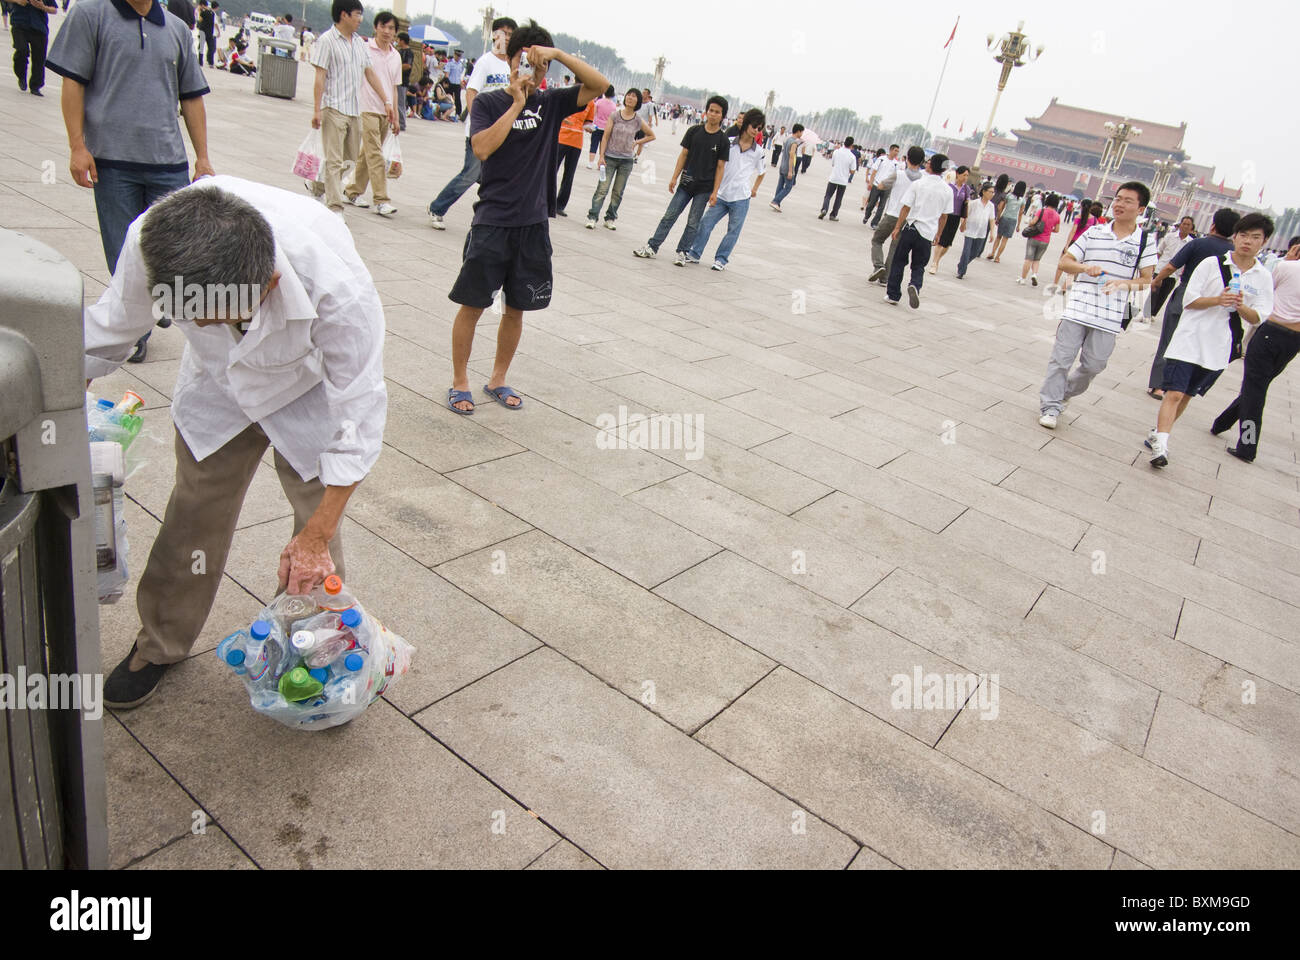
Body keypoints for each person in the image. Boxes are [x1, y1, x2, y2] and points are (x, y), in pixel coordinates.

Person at [83, 178, 387, 708]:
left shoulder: (337, 287)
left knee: (318, 535)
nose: (196, 322)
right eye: (187, 314)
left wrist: (315, 536)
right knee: (195, 511)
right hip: (218, 383)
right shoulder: (152, 241)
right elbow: (111, 329)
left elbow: (359, 415)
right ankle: (160, 643)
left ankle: (307, 656)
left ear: (267, 283)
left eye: (212, 315)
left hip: (306, 387)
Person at [445, 20, 608, 415]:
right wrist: (516, 102)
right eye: (526, 61)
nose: (533, 72)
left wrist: (557, 55)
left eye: (539, 65)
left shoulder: (552, 102)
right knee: (473, 305)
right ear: (510, 60)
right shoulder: (487, 103)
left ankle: (498, 378)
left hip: (533, 223)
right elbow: (482, 148)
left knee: (516, 308)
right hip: (492, 222)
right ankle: (460, 381)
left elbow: (599, 86)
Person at [48, 0, 213, 364]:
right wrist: (77, 146)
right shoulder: (90, 15)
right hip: (113, 161)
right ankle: (137, 331)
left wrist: (202, 158)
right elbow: (72, 82)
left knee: (174, 251)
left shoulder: (177, 30)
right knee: (124, 254)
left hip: (168, 163)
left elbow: (191, 98)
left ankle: (159, 302)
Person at [1145, 213, 1274, 468]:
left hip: (1218, 347)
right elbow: (1189, 301)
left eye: (1255, 237)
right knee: (1174, 392)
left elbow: (1259, 315)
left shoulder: (1263, 277)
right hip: (1189, 339)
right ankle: (1162, 444)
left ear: (1264, 241)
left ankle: (1158, 432)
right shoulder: (1211, 265)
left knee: (1186, 396)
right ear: (1235, 237)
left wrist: (1240, 306)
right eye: (1244, 235)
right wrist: (1218, 300)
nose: (1247, 241)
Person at [1037, 182, 1157, 429]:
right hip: (1078, 308)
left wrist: (1122, 284)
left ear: (1141, 209)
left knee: (1094, 365)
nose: (1120, 204)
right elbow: (1065, 262)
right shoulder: (1094, 232)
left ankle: (1064, 393)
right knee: (1061, 360)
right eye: (1118, 199)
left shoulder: (1145, 241)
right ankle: (1050, 406)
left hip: (1110, 316)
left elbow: (1146, 281)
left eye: (1128, 201)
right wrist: (1085, 268)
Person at [308, 0, 399, 216]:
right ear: (344, 15)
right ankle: (335, 208)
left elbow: (370, 73)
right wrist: (316, 109)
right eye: (357, 14)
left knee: (348, 161)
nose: (360, 19)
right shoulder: (327, 41)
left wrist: (387, 101)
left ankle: (319, 185)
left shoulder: (359, 43)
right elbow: (319, 77)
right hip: (333, 108)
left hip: (354, 110)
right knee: (335, 159)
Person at [1213, 238, 1300, 462]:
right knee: (1257, 385)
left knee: (1255, 390)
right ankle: (1222, 422)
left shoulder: (1287, 267)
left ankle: (1247, 445)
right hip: (1293, 341)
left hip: (1271, 332)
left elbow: (1267, 294)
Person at [427, 16, 515, 230]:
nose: (507, 38)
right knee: (470, 174)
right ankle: (437, 208)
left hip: (500, 132)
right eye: (504, 33)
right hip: (480, 131)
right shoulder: (486, 62)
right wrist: (478, 124)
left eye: (512, 34)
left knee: (493, 177)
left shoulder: (512, 65)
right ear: (494, 35)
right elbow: (472, 92)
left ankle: (493, 219)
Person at [1146, 207, 1240, 399]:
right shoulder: (1234, 253)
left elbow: (1172, 266)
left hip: (1186, 294)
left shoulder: (1198, 244)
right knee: (1196, 344)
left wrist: (1156, 280)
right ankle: (1180, 387)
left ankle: (1157, 385)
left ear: (1213, 225)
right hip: (1216, 303)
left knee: (1168, 340)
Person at [632, 95, 729, 264]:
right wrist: (674, 177)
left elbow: (721, 167)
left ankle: (682, 252)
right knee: (669, 216)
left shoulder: (723, 140)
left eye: (717, 112)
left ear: (722, 116)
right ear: (706, 112)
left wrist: (715, 192)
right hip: (686, 183)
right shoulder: (694, 132)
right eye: (711, 110)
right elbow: (683, 155)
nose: (713, 114)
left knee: (693, 222)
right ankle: (652, 246)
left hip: (704, 188)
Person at [684, 107, 766, 270]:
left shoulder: (759, 152)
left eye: (759, 128)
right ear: (747, 124)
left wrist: (754, 189)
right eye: (754, 126)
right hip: (721, 194)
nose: (756, 130)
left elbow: (762, 172)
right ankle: (695, 253)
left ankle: (721, 259)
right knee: (706, 224)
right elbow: (717, 164)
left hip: (741, 197)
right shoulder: (728, 142)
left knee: (733, 230)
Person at [342, 10, 400, 217]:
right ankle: (381, 199)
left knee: (367, 153)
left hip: (386, 111)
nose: (386, 31)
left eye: (391, 28)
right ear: (375, 27)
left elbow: (394, 87)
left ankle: (352, 190)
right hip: (366, 108)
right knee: (375, 154)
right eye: (383, 26)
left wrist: (395, 114)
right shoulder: (365, 48)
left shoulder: (396, 56)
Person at [884, 153, 951, 309]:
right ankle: (915, 285)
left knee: (899, 261)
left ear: (930, 165)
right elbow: (944, 216)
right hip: (928, 232)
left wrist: (897, 227)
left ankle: (893, 294)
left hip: (911, 227)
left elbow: (906, 207)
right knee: (919, 265)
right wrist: (939, 234)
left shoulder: (918, 184)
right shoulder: (947, 190)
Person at [586, 88, 654, 230]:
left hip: (626, 161)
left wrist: (637, 142)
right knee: (602, 189)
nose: (630, 98)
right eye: (628, 95)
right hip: (610, 158)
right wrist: (601, 156)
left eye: (634, 96)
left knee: (618, 191)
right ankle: (592, 216)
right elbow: (605, 136)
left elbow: (651, 135)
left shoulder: (638, 120)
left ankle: (610, 217)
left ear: (638, 101)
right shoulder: (615, 116)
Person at [867, 145, 924, 285]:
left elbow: (881, 186)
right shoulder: (923, 179)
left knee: (877, 240)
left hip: (892, 214)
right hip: (908, 219)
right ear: (922, 161)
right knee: (895, 248)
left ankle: (879, 266)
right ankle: (885, 278)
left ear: (907, 158)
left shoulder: (899, 174)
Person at [1147, 215, 1195, 319]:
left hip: (1174, 274)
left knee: (1163, 295)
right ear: (1180, 225)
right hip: (1160, 269)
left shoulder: (1191, 243)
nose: (1185, 226)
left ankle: (1153, 314)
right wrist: (1153, 265)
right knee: (1154, 292)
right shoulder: (1169, 236)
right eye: (1184, 224)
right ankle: (1147, 314)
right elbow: (1159, 252)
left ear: (1192, 228)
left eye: (1188, 225)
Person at [553, 96, 595, 216]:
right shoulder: (568, 95)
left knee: (569, 175)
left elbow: (588, 121)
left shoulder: (591, 103)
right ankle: (546, 201)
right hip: (561, 138)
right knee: (552, 171)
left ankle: (560, 205)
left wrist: (588, 127)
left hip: (576, 142)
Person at [9, 0, 58, 96]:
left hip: (39, 27)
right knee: (21, 50)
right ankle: (21, 75)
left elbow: (54, 9)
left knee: (39, 58)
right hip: (19, 23)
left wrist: (43, 7)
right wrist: (18, 1)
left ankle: (35, 86)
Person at [929, 164, 970, 274]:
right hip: (946, 215)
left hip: (956, 218)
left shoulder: (966, 189)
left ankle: (937, 260)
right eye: (964, 175)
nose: (965, 177)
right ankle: (934, 263)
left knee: (947, 244)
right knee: (941, 240)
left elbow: (966, 206)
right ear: (958, 174)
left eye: (967, 175)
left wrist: (964, 221)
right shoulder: (949, 186)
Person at [1018, 193, 1061, 286]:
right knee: (1037, 260)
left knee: (1028, 259)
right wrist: (1049, 229)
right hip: (1045, 241)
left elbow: (1033, 222)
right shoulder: (1057, 216)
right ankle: (1034, 275)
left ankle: (1023, 279)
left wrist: (1030, 223)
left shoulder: (1041, 211)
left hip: (1034, 238)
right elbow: (1057, 230)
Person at [956, 181, 995, 279]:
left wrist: (992, 233)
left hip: (981, 232)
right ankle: (961, 271)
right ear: (984, 192)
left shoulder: (991, 206)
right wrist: (963, 224)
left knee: (975, 253)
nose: (992, 194)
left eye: (993, 192)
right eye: (990, 192)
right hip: (970, 230)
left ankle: (962, 264)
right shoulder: (974, 203)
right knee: (966, 251)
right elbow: (965, 215)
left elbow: (992, 219)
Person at [818, 136, 857, 221]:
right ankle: (833, 215)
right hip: (843, 180)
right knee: (838, 198)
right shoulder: (852, 156)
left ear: (844, 142)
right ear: (851, 145)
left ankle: (824, 209)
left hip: (834, 177)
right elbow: (853, 171)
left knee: (828, 196)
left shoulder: (836, 152)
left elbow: (833, 164)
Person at [988, 180, 1026, 263]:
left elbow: (1000, 207)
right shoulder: (1022, 200)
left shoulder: (1008, 196)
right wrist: (1018, 225)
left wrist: (998, 218)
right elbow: (1020, 214)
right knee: (1005, 240)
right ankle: (997, 257)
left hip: (1004, 218)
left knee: (998, 237)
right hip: (1013, 220)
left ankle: (992, 253)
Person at [769, 122, 803, 211]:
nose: (802, 134)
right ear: (798, 131)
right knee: (788, 187)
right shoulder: (794, 143)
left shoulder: (788, 139)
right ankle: (775, 201)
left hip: (782, 166)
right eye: (801, 132)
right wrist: (791, 171)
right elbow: (792, 156)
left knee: (780, 186)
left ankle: (776, 204)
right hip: (788, 167)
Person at [587, 85, 615, 168]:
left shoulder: (599, 102)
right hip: (606, 128)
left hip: (596, 127)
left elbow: (593, 114)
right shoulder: (613, 106)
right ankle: (600, 164)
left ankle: (590, 163)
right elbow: (612, 119)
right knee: (603, 147)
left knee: (593, 145)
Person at [445, 48, 466, 115]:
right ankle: (446, 112)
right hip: (450, 83)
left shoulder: (461, 64)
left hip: (457, 84)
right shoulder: (450, 63)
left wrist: (461, 83)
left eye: (460, 56)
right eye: (457, 55)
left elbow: (459, 75)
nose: (458, 57)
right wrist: (447, 82)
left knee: (457, 99)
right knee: (448, 98)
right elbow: (447, 74)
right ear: (454, 55)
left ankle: (458, 113)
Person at [196, 0, 216, 67]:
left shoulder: (203, 12)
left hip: (203, 31)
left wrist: (199, 12)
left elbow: (200, 20)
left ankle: (200, 62)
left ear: (202, 5)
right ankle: (211, 63)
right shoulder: (212, 12)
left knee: (201, 47)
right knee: (210, 48)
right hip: (210, 32)